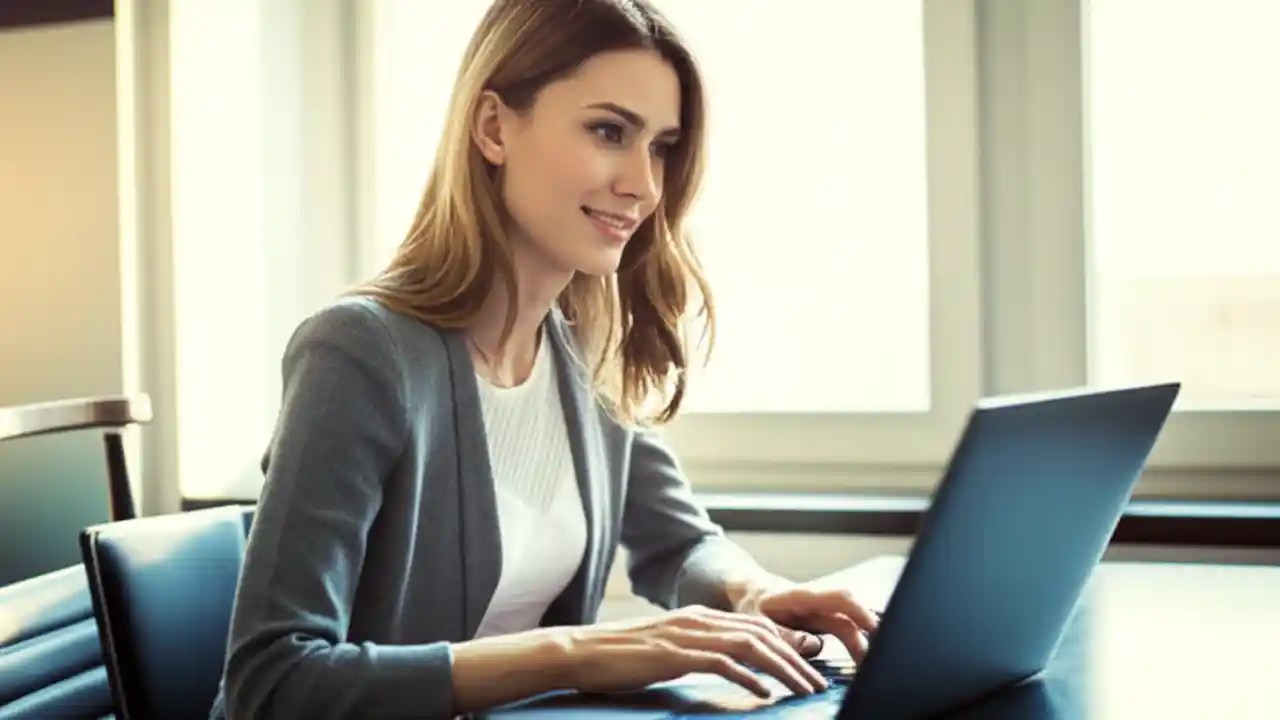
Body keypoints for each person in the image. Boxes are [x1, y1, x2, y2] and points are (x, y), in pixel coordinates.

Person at [210, 1, 879, 717]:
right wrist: (577, 653)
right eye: (609, 131)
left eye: (660, 145)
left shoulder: (583, 352)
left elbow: (679, 542)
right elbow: (271, 681)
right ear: (494, 127)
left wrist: (757, 592)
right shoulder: (360, 352)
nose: (644, 185)